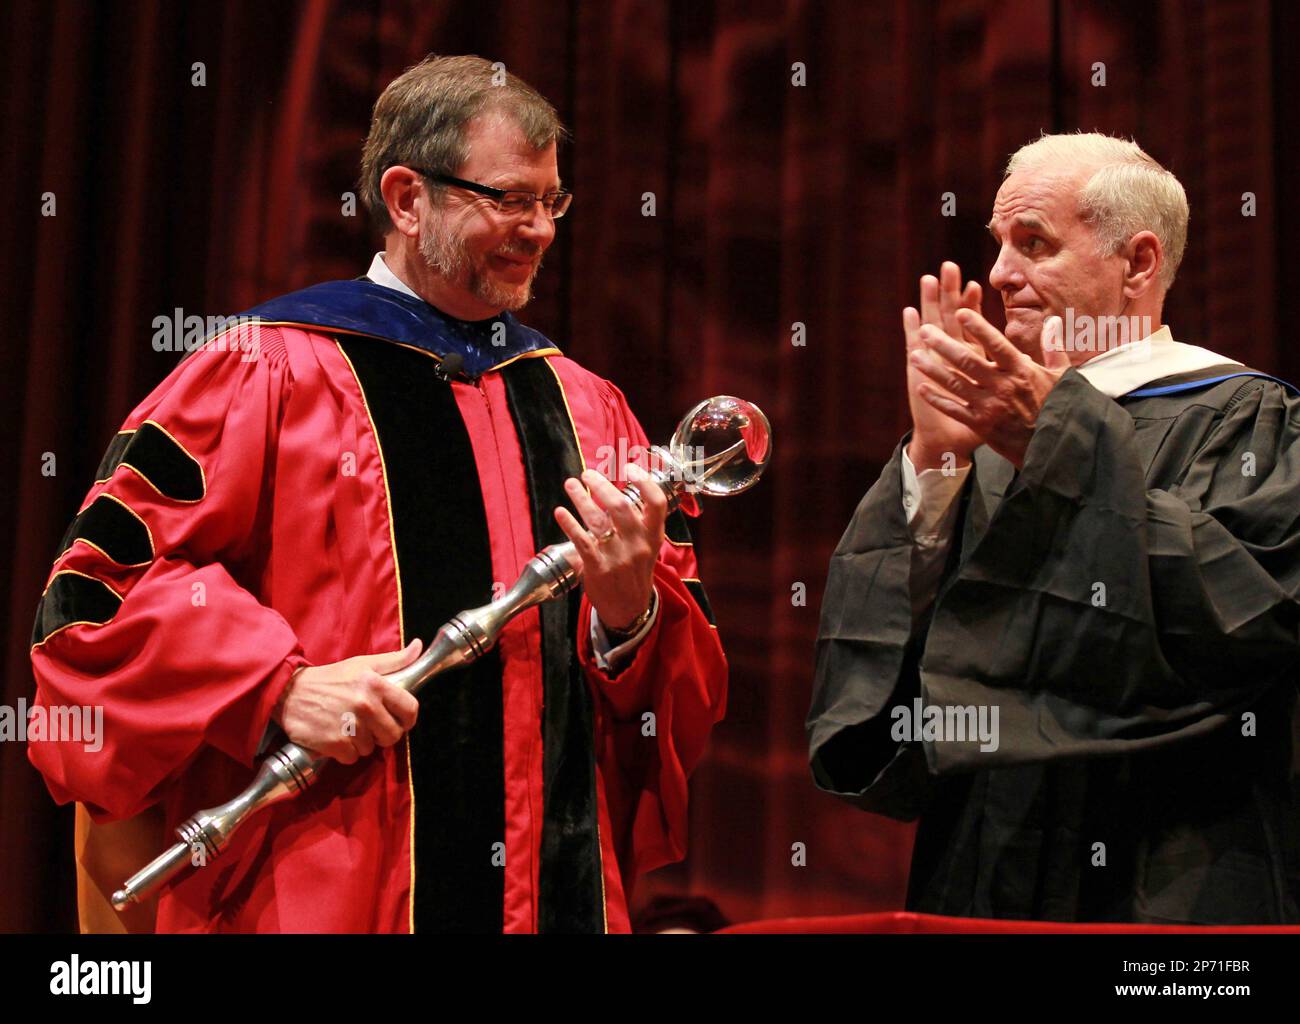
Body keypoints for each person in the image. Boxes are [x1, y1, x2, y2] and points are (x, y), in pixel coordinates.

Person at [29, 54, 727, 934]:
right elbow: (99, 599)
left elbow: (681, 708)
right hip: (326, 883)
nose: (541, 229)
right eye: (509, 199)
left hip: (551, 898)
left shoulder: (588, 406)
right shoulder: (261, 372)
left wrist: (630, 621)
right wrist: (276, 689)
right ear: (406, 198)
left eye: (553, 202)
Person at [808, 132, 1300, 923]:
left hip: (1171, 878)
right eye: (998, 245)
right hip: (979, 876)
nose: (1001, 275)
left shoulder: (1245, 420)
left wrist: (1053, 445)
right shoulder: (981, 448)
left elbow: (1241, 619)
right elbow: (883, 683)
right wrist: (934, 465)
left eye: (1033, 244)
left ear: (1138, 264)